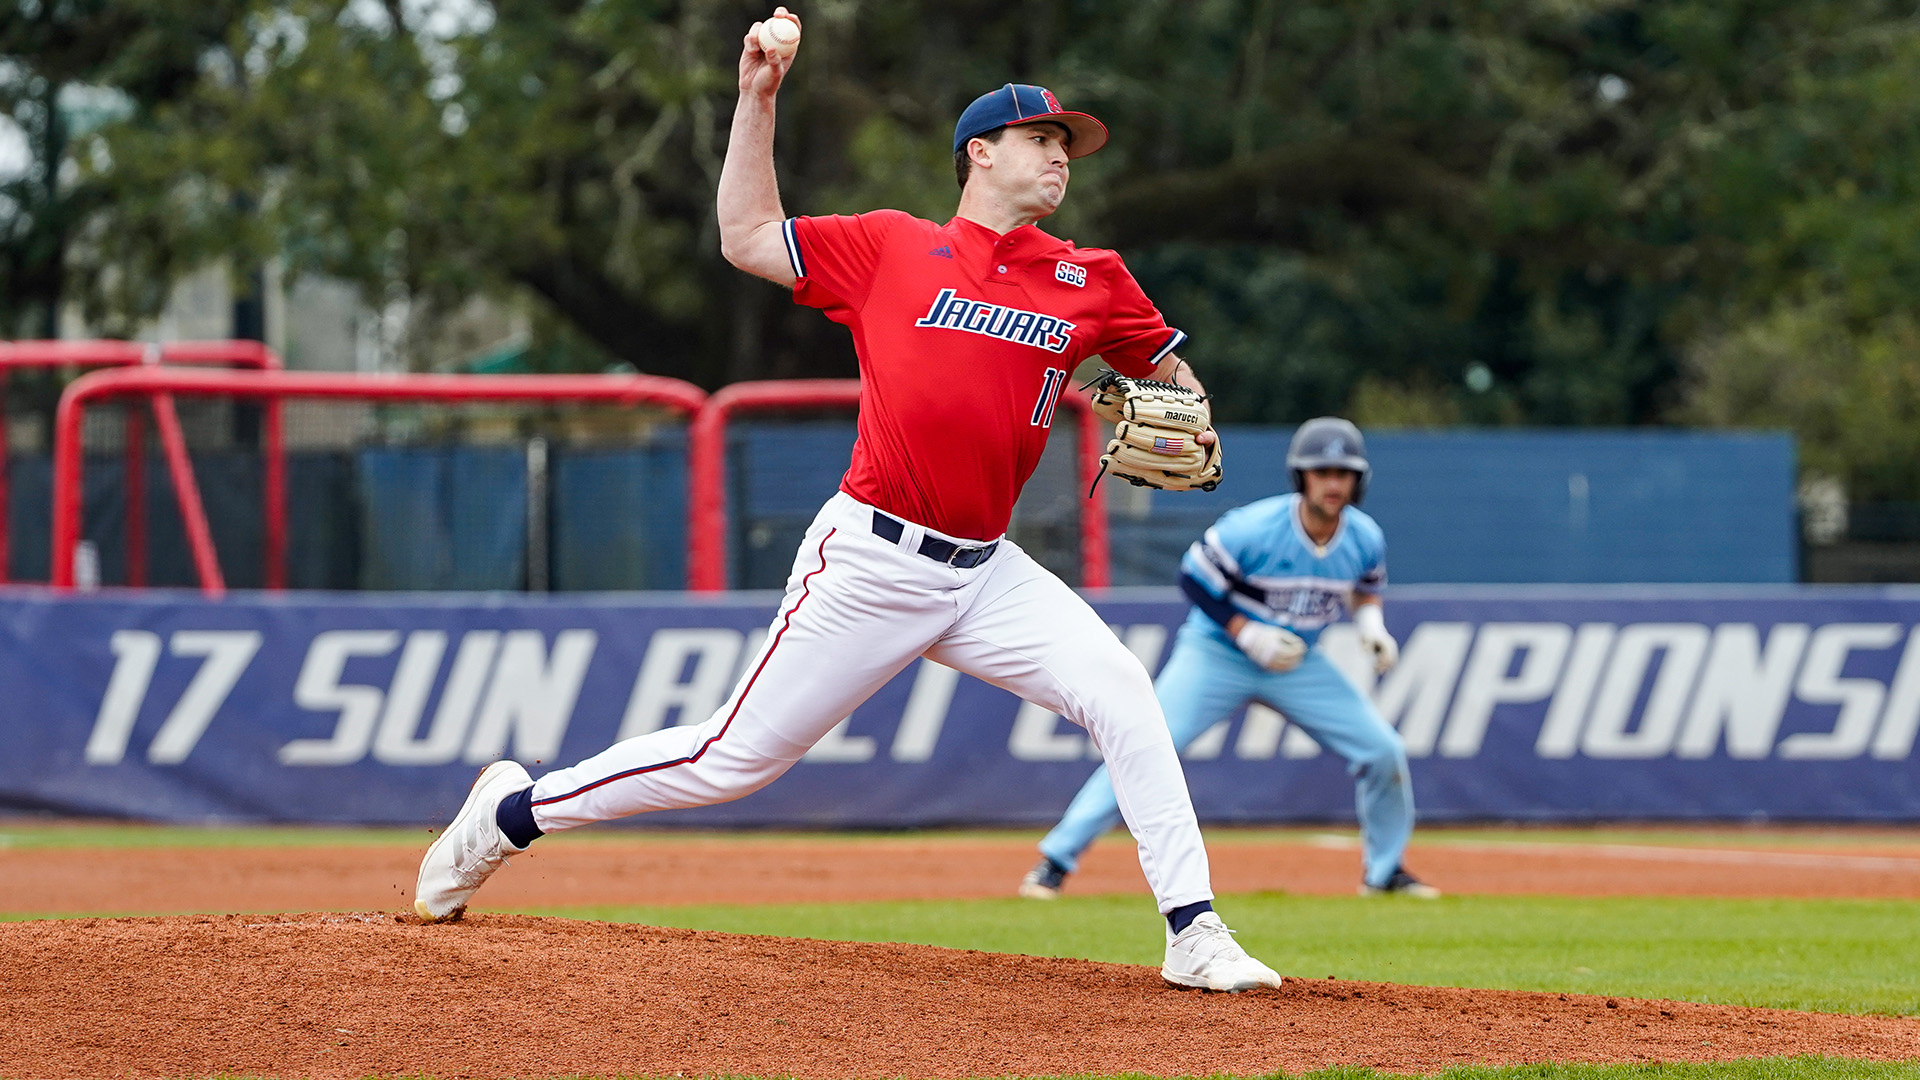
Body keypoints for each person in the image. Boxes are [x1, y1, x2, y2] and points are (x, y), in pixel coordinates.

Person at [412, 11, 1284, 993]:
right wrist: (757, 98)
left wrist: (1188, 406)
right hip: (873, 560)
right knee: (730, 759)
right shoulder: (890, 247)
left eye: (1067, 146)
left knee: (1121, 688)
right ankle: (510, 815)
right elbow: (746, 237)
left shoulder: (1092, 278)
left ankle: (1193, 929)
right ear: (979, 153)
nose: (1060, 157)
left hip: (988, 572)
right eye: (1041, 138)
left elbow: (1165, 369)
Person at [1019, 418, 1440, 901]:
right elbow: (1193, 577)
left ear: (1358, 480)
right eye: (1321, 471)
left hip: (1297, 662)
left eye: (1342, 473)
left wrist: (1371, 625)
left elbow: (1366, 588)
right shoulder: (1254, 527)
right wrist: (1246, 631)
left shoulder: (1364, 537)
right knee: (1143, 745)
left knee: (1383, 750)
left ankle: (1384, 872)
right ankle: (1056, 860)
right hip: (1218, 652)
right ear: (1301, 476)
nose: (1332, 483)